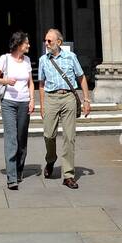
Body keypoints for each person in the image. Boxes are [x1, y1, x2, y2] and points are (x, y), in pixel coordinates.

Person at [38, 29, 91, 188]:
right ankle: (51, 159)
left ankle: (68, 175)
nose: (46, 44)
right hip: (51, 98)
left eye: (49, 41)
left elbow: (81, 78)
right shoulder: (43, 60)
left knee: (69, 137)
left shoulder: (71, 57)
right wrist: (42, 104)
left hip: (68, 97)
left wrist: (86, 100)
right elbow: (41, 83)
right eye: (45, 41)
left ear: (59, 42)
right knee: (48, 134)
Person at [0, 32, 34, 190]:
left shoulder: (27, 60)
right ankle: (11, 178)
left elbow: (30, 83)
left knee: (22, 138)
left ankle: (19, 169)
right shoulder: (5, 58)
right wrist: (6, 80)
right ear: (18, 44)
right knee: (11, 139)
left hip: (24, 102)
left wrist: (32, 100)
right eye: (26, 43)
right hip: (8, 102)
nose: (29, 45)